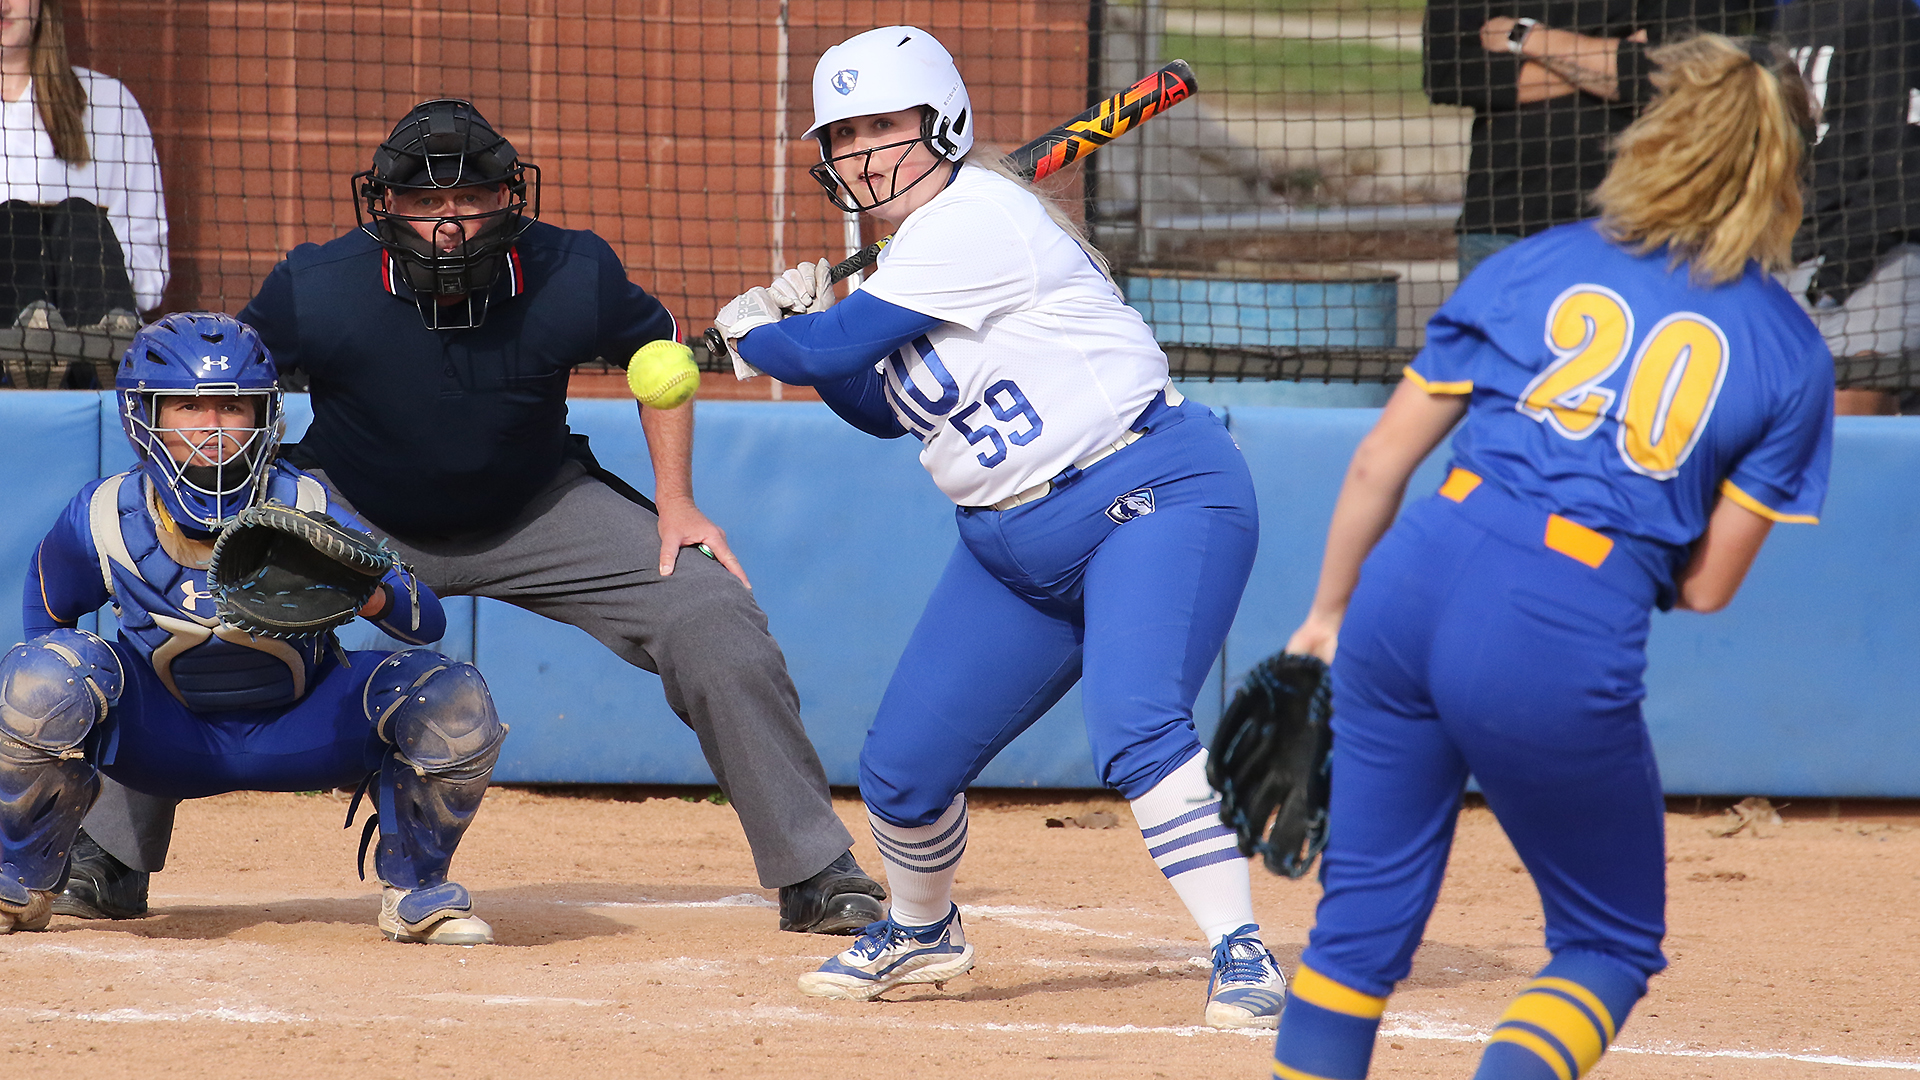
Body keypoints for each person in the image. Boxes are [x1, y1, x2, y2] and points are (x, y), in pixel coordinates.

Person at [53, 98, 887, 937]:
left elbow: (656, 355)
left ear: (507, 197)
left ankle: (816, 869)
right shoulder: (320, 282)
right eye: (421, 202)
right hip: (352, 517)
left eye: (469, 198)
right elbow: (234, 387)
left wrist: (677, 502)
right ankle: (110, 855)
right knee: (187, 607)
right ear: (385, 206)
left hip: (536, 509)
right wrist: (226, 517)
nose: (447, 223)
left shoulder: (572, 269)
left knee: (713, 614)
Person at [1270, 36, 1831, 1080]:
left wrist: (1325, 616)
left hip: (1412, 576)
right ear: (1784, 171)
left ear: (1653, 139)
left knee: (1354, 937)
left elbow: (1378, 463)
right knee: (1608, 943)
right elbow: (1707, 588)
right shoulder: (1788, 347)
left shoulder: (1538, 256)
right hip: (1557, 618)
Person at [714, 26, 1286, 1029]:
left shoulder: (979, 218)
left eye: (884, 127)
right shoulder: (907, 260)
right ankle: (925, 930)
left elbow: (832, 349)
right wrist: (808, 335)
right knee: (901, 772)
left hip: (1149, 492)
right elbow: (881, 405)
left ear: (945, 125)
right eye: (844, 137)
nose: (862, 154)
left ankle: (1242, 950)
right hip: (1011, 547)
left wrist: (769, 333)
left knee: (1138, 724)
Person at [6, 312, 503, 944]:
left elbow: (425, 622)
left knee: (451, 694)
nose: (214, 430)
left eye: (234, 407)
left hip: (301, 726)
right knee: (42, 676)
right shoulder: (103, 516)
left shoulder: (307, 506)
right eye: (188, 406)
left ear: (266, 416)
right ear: (143, 417)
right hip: (160, 739)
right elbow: (41, 632)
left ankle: (419, 890)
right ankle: (18, 881)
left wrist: (368, 593)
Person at [1424, 0, 1770, 279]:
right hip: (1507, 224)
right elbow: (1449, 73)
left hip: (1641, 227)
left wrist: (1528, 38)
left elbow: (1690, 75)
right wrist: (1611, 57)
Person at [1780, 0, 1920, 406]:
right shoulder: (1788, 15)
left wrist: (1841, 270)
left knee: (1848, 406)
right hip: (1788, 254)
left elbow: (1898, 162)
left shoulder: (1889, 14)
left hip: (1875, 257)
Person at [0, 0, 167, 330]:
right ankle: (31, 349)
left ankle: (101, 349)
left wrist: (78, 268)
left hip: (89, 332)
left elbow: (150, 268)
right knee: (13, 223)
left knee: (79, 217)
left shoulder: (108, 104)